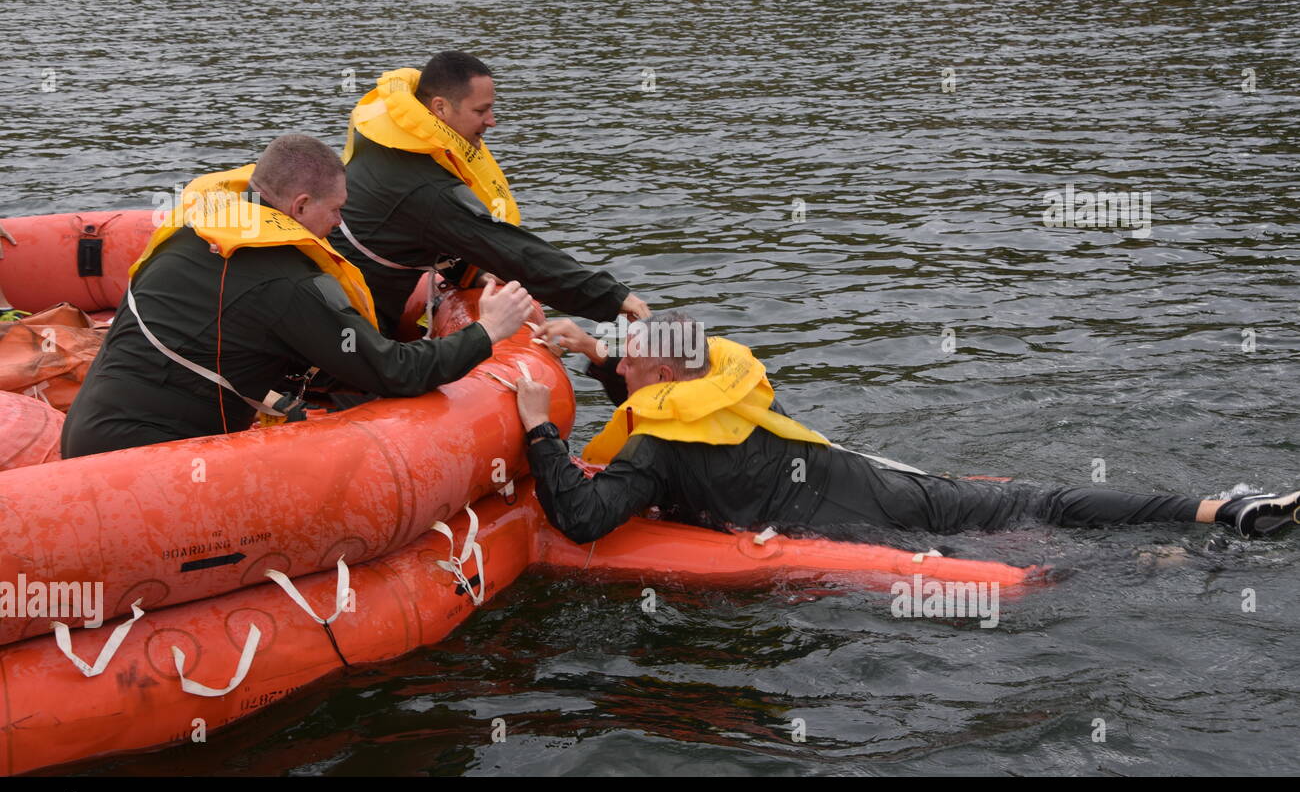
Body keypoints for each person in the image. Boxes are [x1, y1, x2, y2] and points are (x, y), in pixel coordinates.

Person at [513, 312, 1300, 545]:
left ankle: (1168, 555)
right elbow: (662, 369)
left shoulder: (654, 447)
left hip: (852, 534)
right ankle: (1217, 510)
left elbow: (581, 518)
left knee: (1027, 548)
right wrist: (597, 349)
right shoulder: (737, 380)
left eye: (628, 364)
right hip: (882, 483)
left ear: (652, 380)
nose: (624, 370)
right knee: (1046, 503)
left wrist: (538, 430)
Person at [62, 134, 533, 458]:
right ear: (300, 206)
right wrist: (490, 330)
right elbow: (395, 371)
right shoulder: (288, 283)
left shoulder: (194, 230)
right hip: (143, 461)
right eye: (336, 211)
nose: (339, 225)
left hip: (85, 431)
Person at [330, 52, 649, 338]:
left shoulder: (384, 139)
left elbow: (400, 228)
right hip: (353, 326)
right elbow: (509, 249)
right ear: (440, 107)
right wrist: (612, 296)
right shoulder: (425, 188)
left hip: (340, 296)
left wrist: (467, 271)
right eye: (481, 110)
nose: (492, 121)